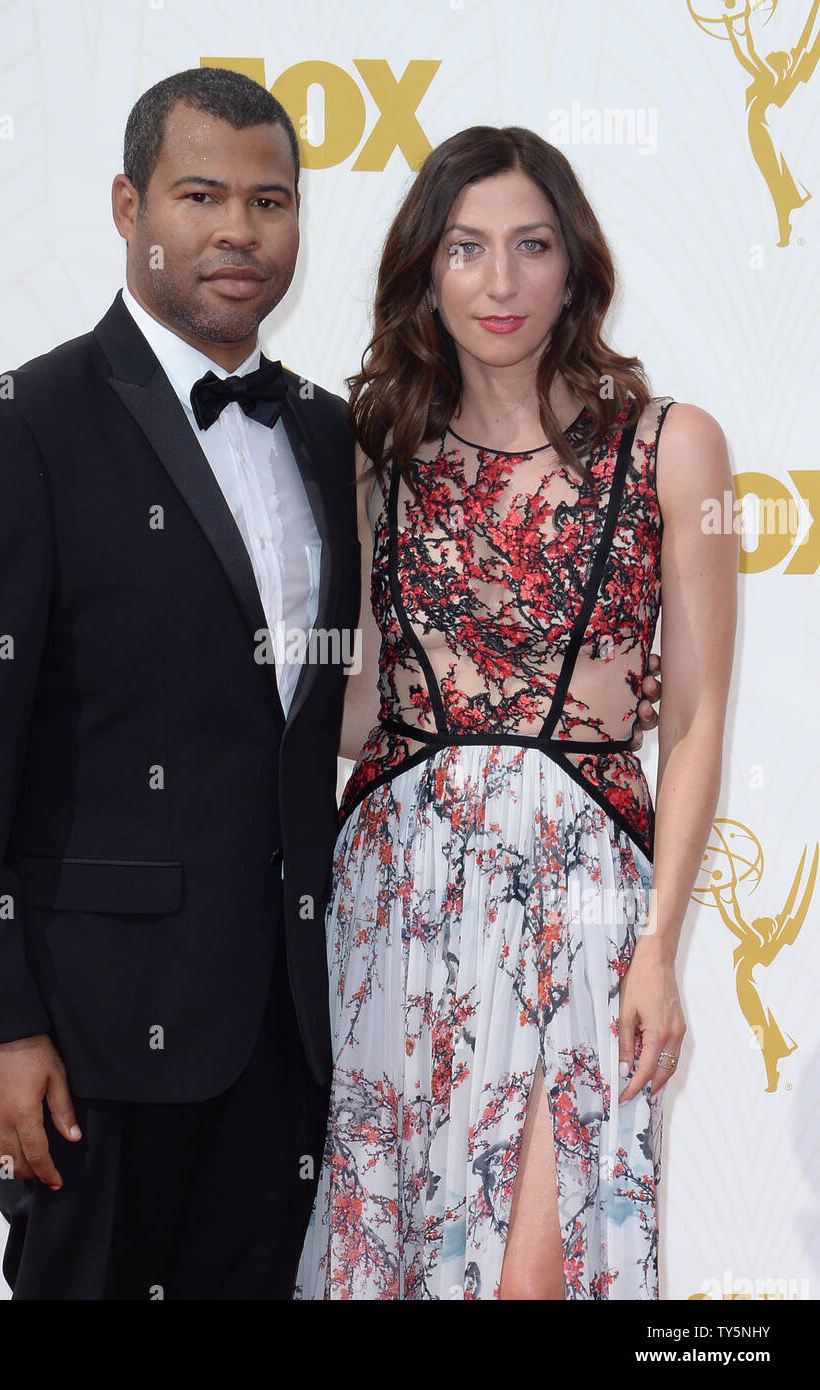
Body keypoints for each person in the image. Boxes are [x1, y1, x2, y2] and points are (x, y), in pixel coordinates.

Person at [0, 67, 362, 1300]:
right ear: (127, 205)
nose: (237, 231)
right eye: (200, 194)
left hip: (284, 1029)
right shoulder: (18, 430)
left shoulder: (324, 435)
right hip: (94, 1037)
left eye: (269, 201)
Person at [295, 125, 737, 1301]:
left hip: (584, 899)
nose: (500, 284)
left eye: (530, 247)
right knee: (387, 1260)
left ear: (574, 265)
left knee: (537, 1276)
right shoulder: (370, 450)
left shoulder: (671, 450)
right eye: (465, 249)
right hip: (397, 890)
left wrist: (659, 949)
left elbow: (694, 718)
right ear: (424, 275)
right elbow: (356, 705)